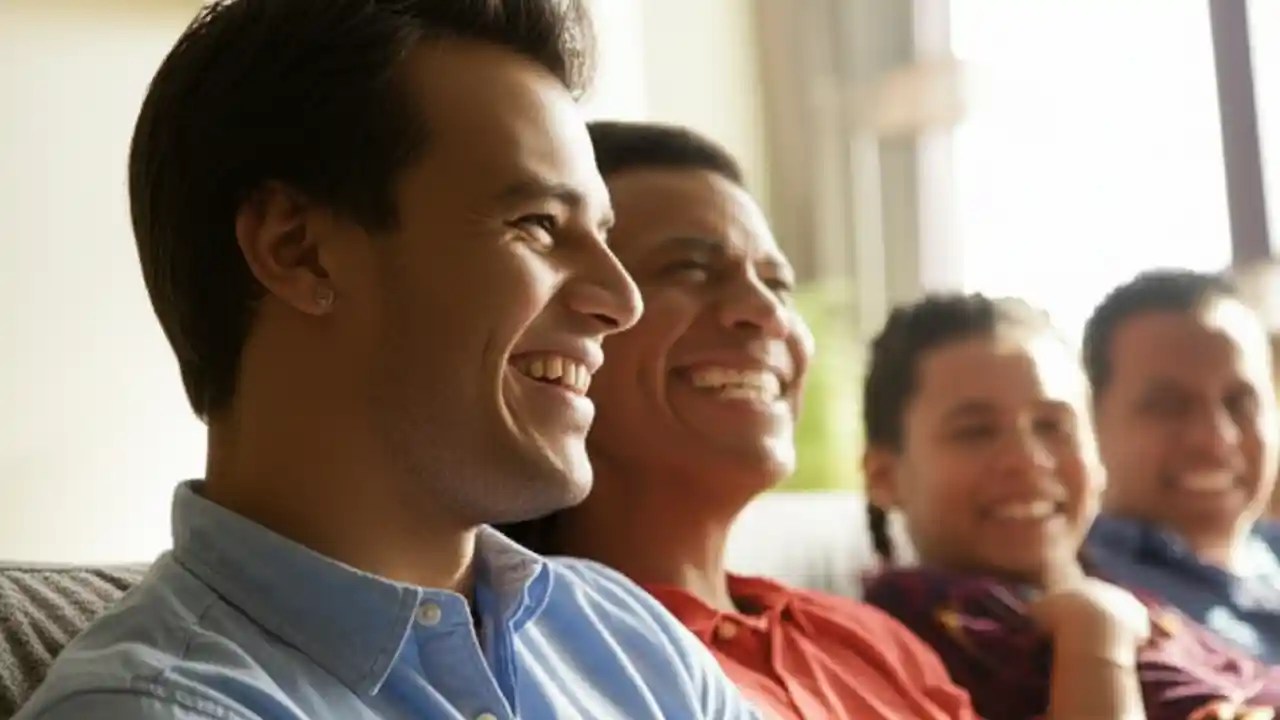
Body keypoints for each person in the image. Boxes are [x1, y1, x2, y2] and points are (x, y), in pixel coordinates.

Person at [15, 2, 763, 719]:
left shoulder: (630, 641)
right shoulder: (157, 708)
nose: (620, 299)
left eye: (601, 233)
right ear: (298, 251)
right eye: (537, 224)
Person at [502, 120, 978, 720]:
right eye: (689, 270)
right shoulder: (527, 661)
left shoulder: (871, 644)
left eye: (777, 283)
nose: (764, 312)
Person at [861, 293, 1280, 720]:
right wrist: (1097, 637)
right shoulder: (929, 625)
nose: (1028, 460)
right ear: (884, 476)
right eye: (975, 432)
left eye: (1052, 425)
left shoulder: (1121, 594)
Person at [1083, 270, 1280, 662]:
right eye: (1169, 406)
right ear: (1091, 420)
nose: (1214, 438)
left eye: (1239, 401)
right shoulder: (1092, 602)